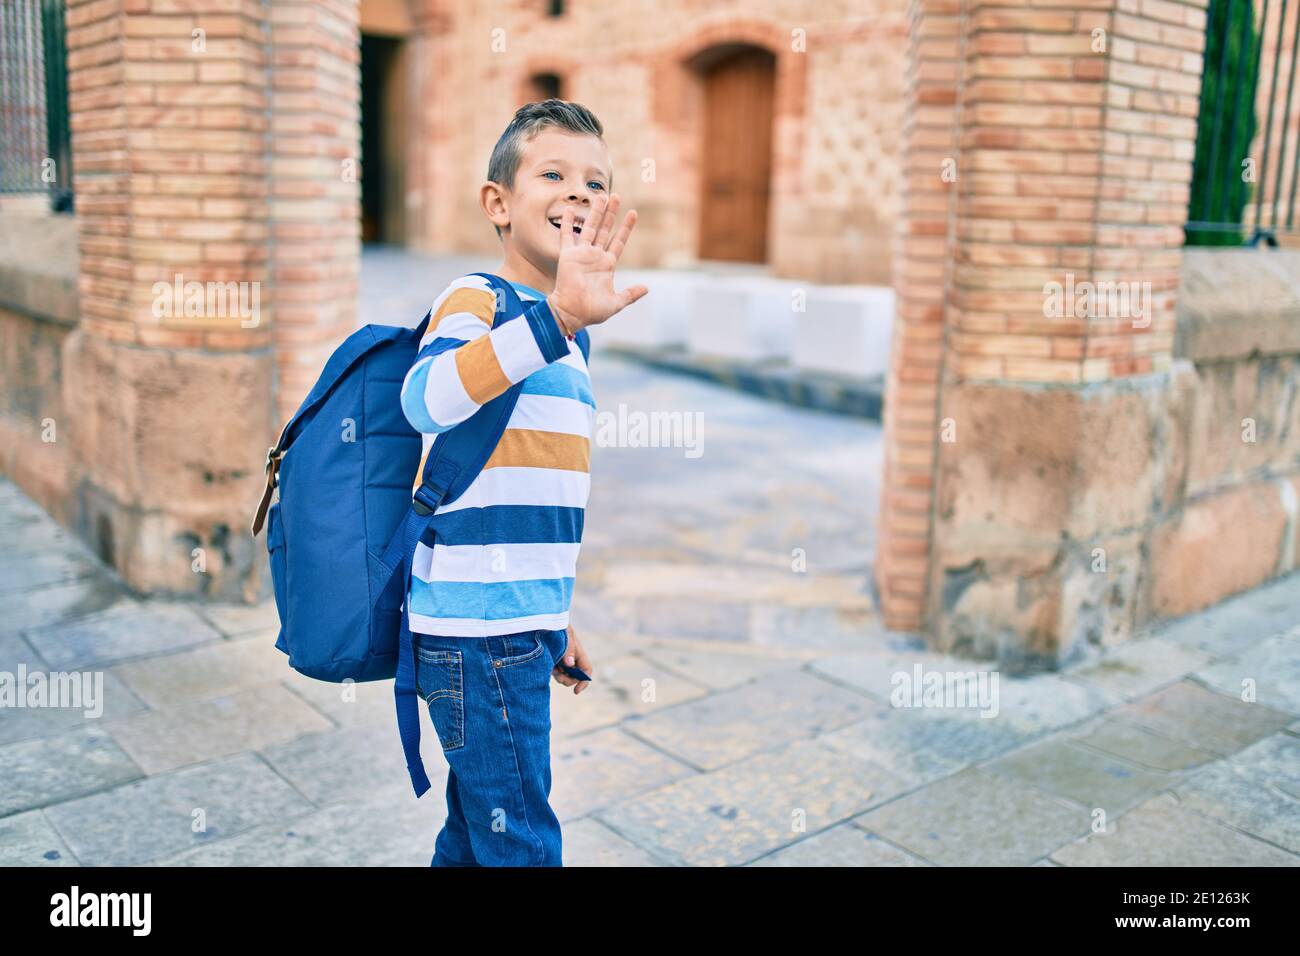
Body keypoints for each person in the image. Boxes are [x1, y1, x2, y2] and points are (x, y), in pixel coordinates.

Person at [398, 98, 647, 866]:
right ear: (498, 203)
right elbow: (426, 398)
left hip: (511, 625)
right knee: (524, 844)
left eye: (595, 182)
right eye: (554, 173)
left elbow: (528, 495)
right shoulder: (481, 300)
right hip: (477, 636)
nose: (579, 192)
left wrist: (552, 615)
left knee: (481, 833)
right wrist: (556, 321)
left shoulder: (570, 339)